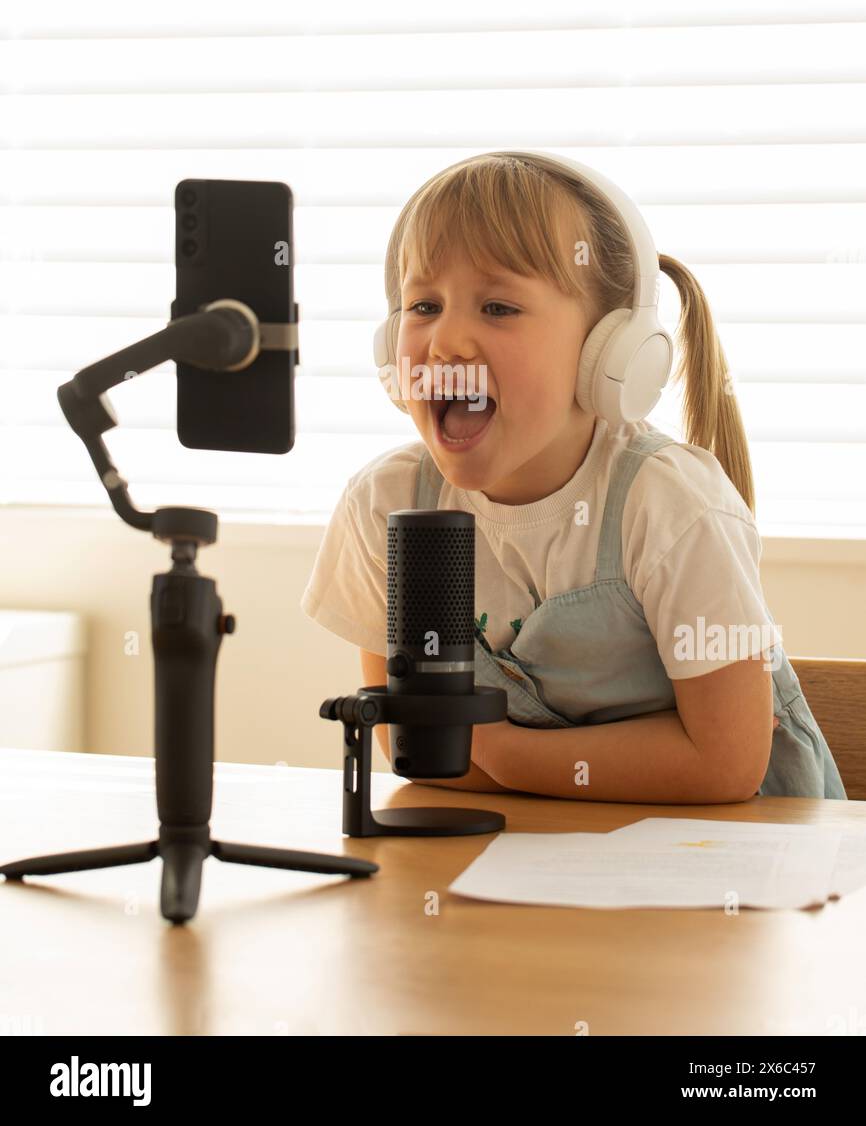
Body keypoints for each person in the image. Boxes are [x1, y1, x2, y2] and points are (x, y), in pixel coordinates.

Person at [301, 150, 847, 804]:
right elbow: (417, 753)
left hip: (734, 857)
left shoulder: (669, 506)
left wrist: (504, 753)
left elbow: (725, 765)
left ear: (608, 354)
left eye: (498, 307)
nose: (445, 341)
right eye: (423, 305)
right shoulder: (386, 507)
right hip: (538, 861)